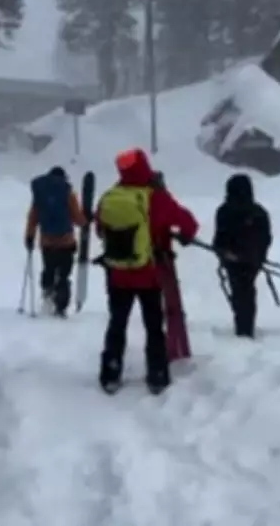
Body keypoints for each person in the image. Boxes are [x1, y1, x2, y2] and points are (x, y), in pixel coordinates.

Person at [95, 149, 198, 393]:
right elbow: (188, 223)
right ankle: (157, 374)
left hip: (118, 274)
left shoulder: (110, 196)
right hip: (149, 274)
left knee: (117, 323)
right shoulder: (156, 197)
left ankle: (111, 372)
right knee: (153, 325)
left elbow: (100, 229)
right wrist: (182, 236)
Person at [212, 173, 272, 339]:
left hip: (235, 260)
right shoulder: (259, 212)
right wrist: (260, 256)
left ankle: (243, 327)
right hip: (251, 260)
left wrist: (223, 253)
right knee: (246, 291)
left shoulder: (224, 211)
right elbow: (266, 238)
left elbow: (219, 238)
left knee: (240, 291)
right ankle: (246, 326)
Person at [24, 166, 87, 316]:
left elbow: (33, 218)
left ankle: (47, 294)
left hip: (47, 242)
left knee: (49, 269)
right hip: (66, 242)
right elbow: (77, 218)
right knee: (64, 274)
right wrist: (85, 222)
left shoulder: (41, 196)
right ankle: (61, 306)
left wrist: (29, 237)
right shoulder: (68, 193)